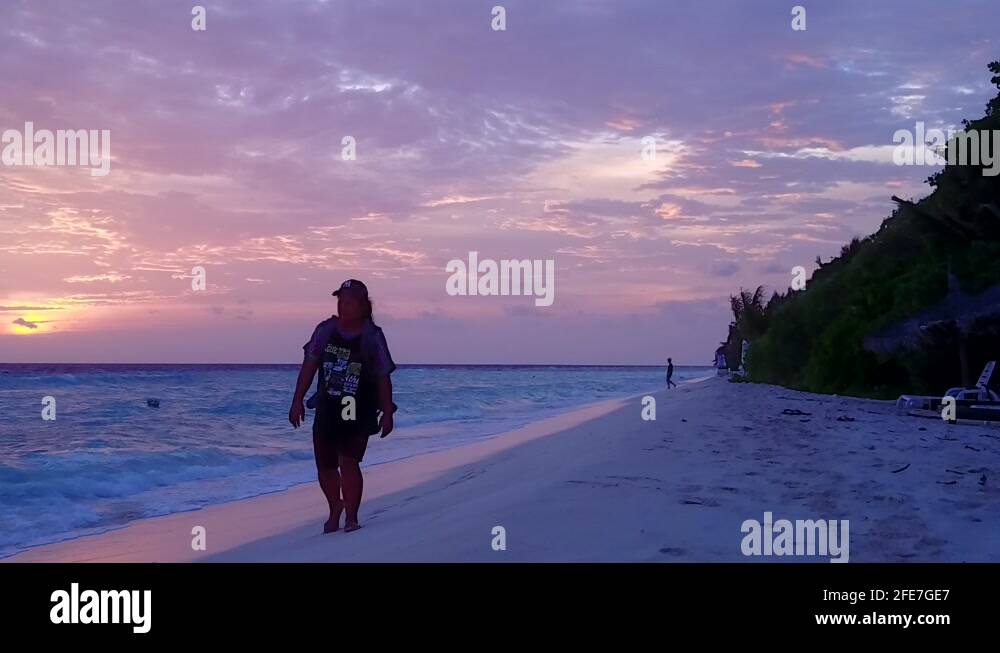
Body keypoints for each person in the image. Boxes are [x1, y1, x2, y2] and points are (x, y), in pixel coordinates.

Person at [289, 279, 396, 534]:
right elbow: (309, 366)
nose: (343, 306)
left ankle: (351, 515)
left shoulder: (372, 336)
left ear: (363, 307)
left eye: (349, 302)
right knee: (325, 466)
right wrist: (297, 400)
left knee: (348, 461)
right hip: (327, 405)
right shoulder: (325, 330)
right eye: (340, 300)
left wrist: (388, 411)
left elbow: (383, 375)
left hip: (356, 407)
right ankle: (334, 506)